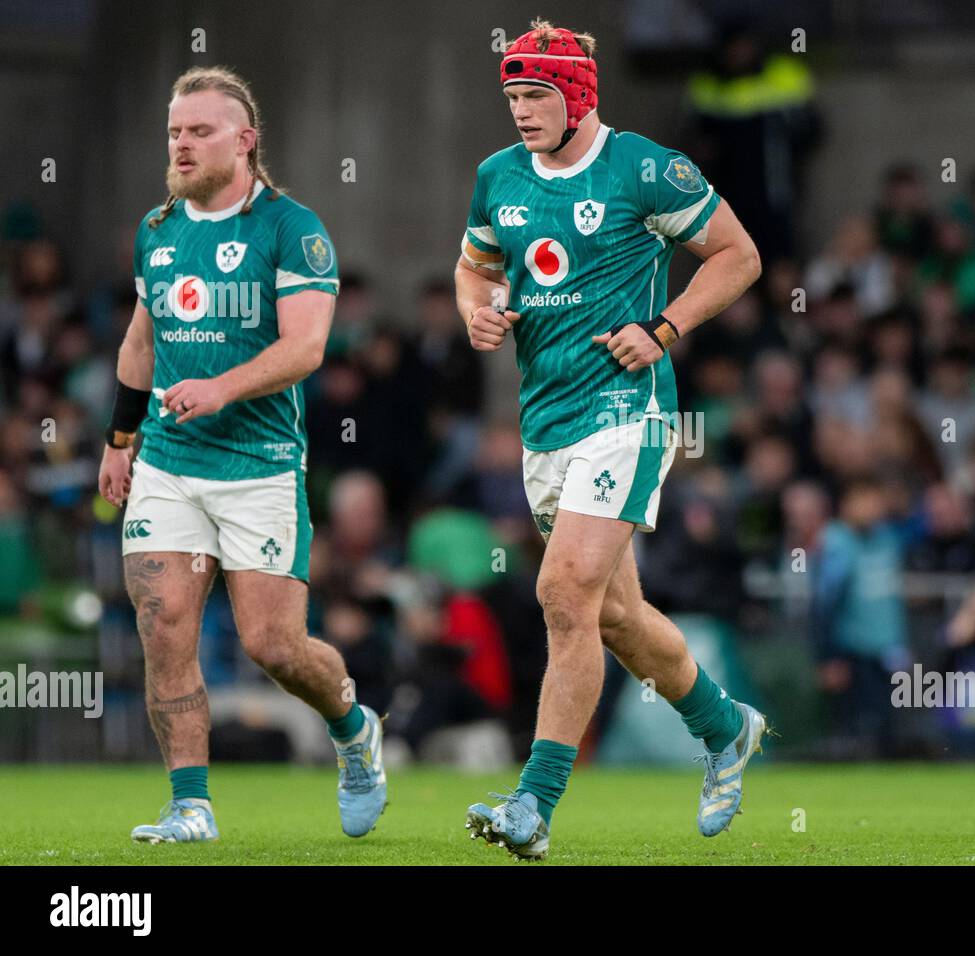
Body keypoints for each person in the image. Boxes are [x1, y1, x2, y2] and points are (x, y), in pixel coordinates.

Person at [454, 19, 765, 860]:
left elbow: (738, 256)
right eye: (513, 95)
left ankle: (534, 802)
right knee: (618, 616)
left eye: (537, 95)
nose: (521, 112)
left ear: (578, 94)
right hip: (546, 422)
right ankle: (726, 728)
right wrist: (476, 313)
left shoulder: (646, 169)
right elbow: (475, 266)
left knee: (563, 594)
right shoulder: (497, 178)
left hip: (627, 413)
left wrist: (664, 328)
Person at [98, 67, 386, 844]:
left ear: (245, 140)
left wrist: (222, 387)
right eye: (173, 133)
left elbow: (307, 346)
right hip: (168, 462)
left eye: (199, 131)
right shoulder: (158, 228)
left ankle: (354, 729)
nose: (182, 146)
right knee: (163, 626)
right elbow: (141, 340)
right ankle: (191, 805)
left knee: (273, 647)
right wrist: (120, 440)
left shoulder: (294, 228)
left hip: (258, 465)